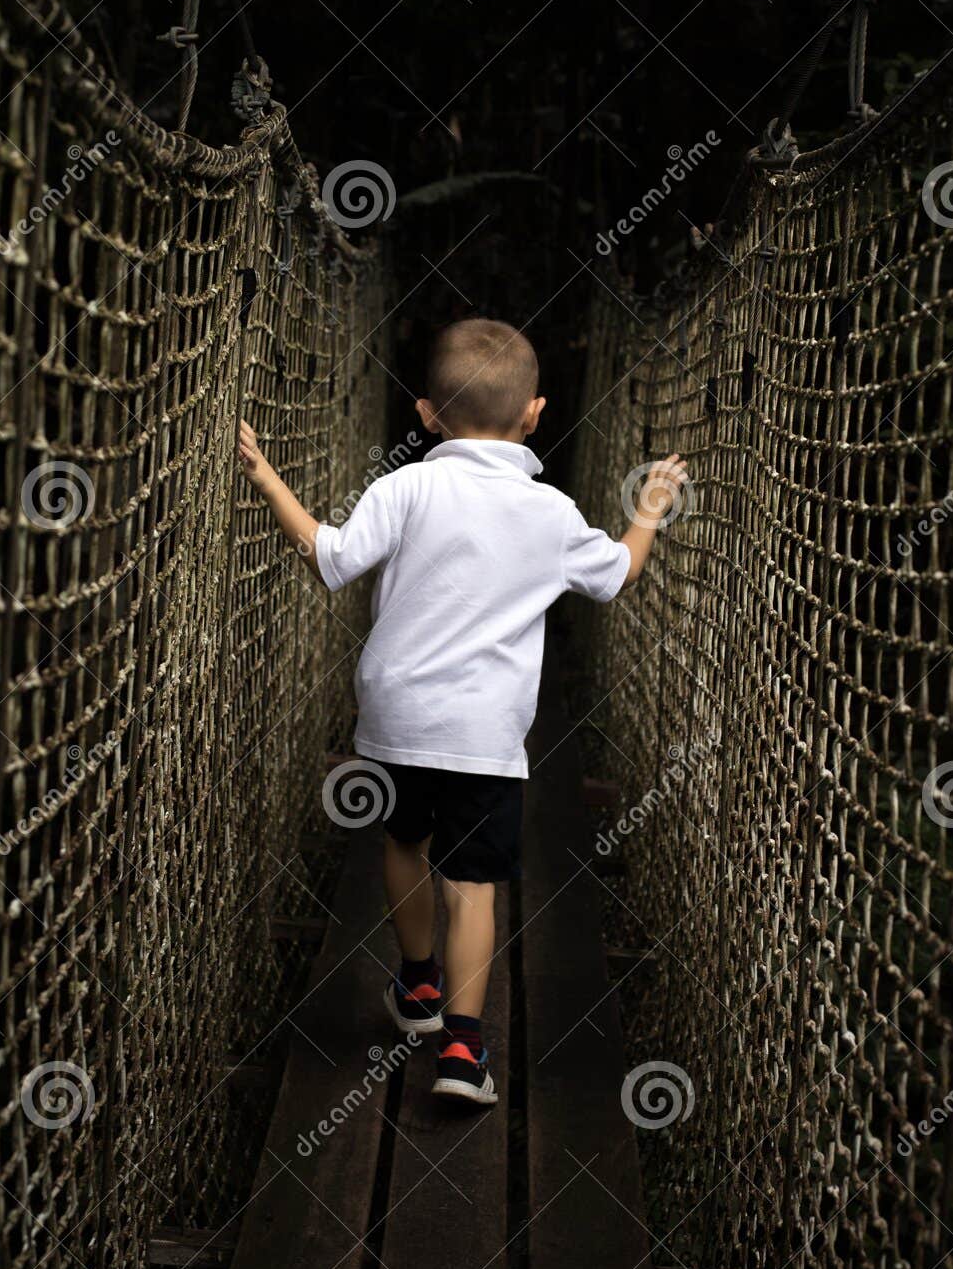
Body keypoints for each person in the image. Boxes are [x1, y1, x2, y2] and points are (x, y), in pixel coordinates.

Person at [238, 317, 687, 1106]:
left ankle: (415, 989)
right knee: (472, 885)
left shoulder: (403, 486)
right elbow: (616, 576)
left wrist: (270, 478)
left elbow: (333, 561)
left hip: (395, 718)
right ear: (535, 414)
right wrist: (649, 506)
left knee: (405, 841)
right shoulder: (549, 512)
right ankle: (462, 1050)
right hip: (483, 737)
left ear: (425, 415)